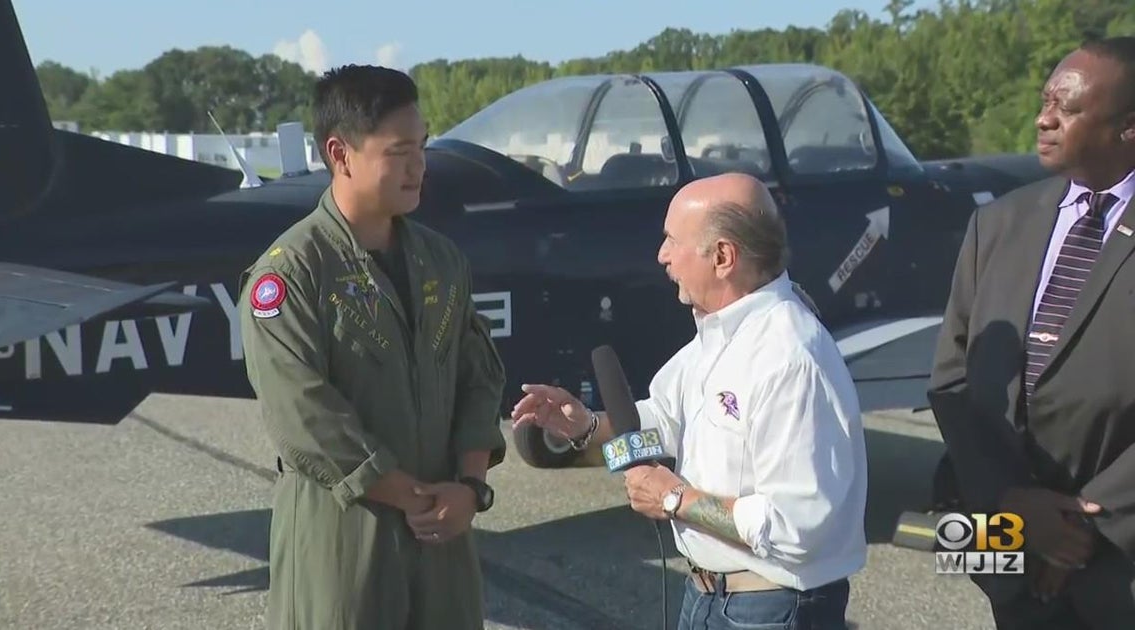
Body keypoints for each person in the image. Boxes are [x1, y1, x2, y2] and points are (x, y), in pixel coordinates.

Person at [513, 172, 868, 629]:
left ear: (722, 256)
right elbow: (661, 420)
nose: (661, 255)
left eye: (672, 240)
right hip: (705, 597)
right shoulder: (715, 337)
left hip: (771, 610)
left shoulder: (790, 358)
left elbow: (796, 526)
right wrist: (583, 424)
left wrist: (673, 498)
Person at [238, 64, 507, 630]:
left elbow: (478, 377)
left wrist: (469, 488)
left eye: (423, 147)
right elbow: (302, 411)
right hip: (344, 543)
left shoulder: (442, 261)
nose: (419, 166)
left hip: (442, 539)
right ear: (341, 154)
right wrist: (408, 494)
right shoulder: (291, 276)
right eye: (398, 151)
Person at [927, 36, 1135, 629]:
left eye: (1067, 108)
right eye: (1046, 100)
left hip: (1120, 558)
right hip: (1007, 539)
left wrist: (1084, 525)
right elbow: (952, 380)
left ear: (1128, 127)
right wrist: (1013, 504)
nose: (1044, 118)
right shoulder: (996, 224)